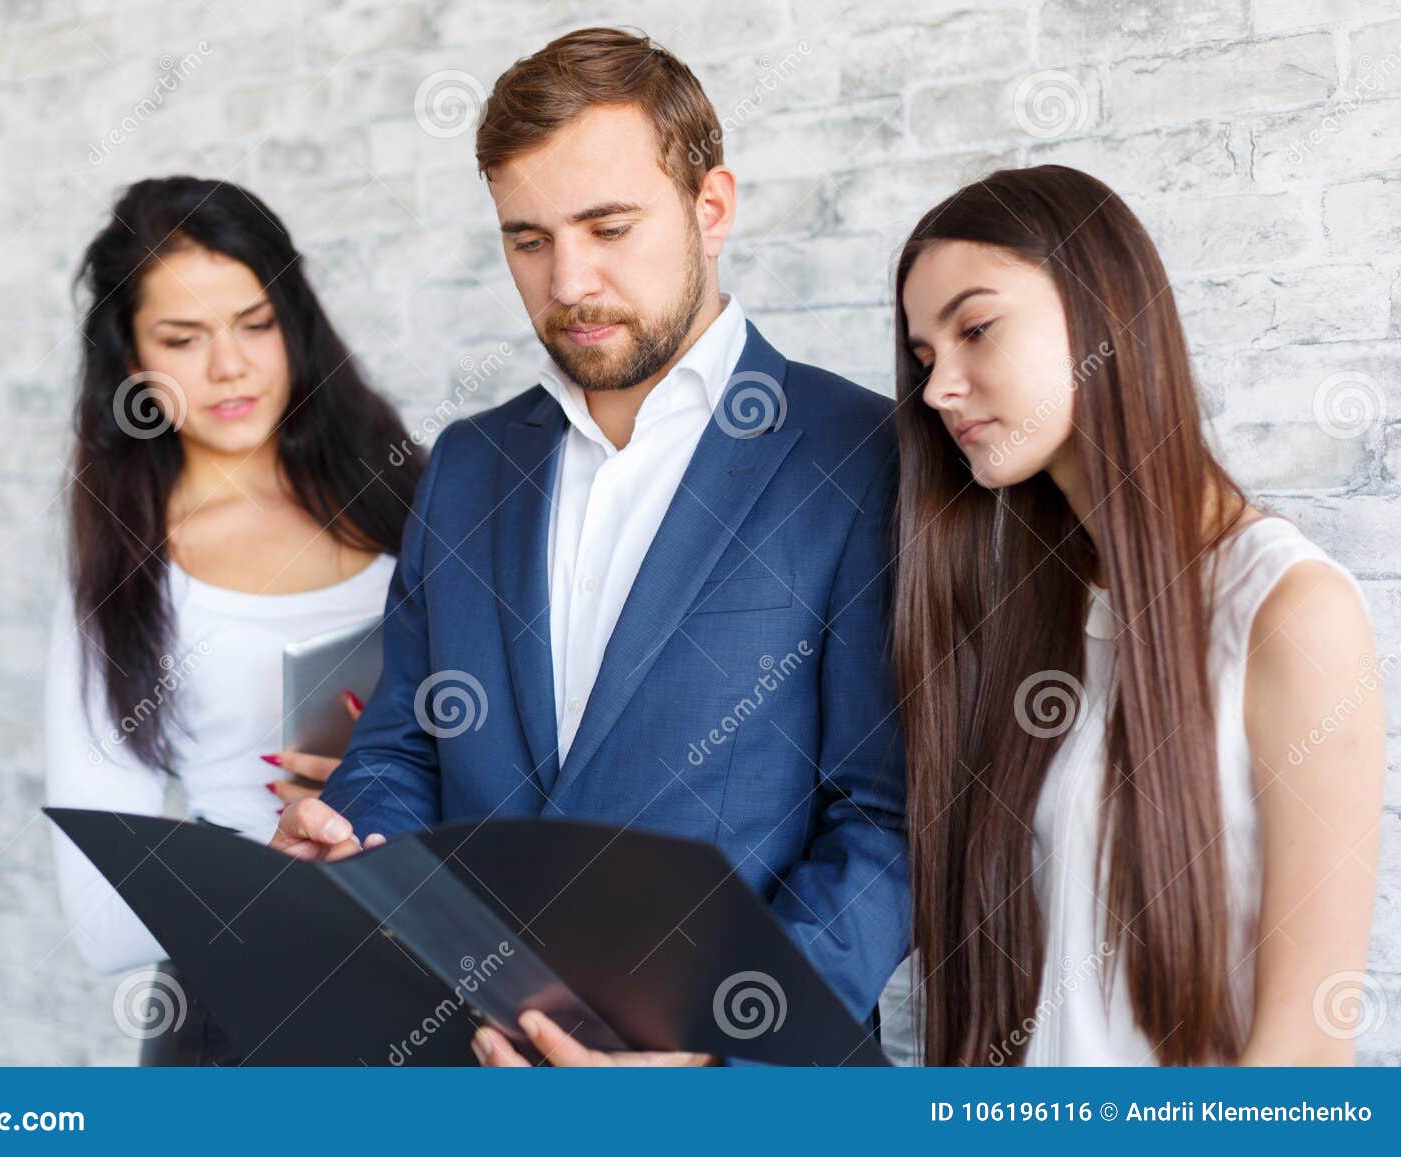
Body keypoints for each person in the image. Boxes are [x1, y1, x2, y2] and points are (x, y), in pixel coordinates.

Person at [269, 27, 909, 1067]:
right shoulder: (467, 465)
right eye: (528, 240)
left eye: (608, 227)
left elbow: (889, 823)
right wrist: (356, 839)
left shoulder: (863, 454)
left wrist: (722, 1044)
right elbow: (403, 745)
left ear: (712, 207)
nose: (568, 281)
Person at [890, 164, 1384, 1065]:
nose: (938, 388)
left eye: (977, 329)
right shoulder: (1034, 618)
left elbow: (1307, 1049)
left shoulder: (1290, 612)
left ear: (1102, 315)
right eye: (926, 358)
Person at [45, 176, 420, 1064]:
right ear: (130, 359)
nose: (230, 367)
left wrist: (403, 777)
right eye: (183, 338)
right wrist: (291, 851)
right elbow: (102, 917)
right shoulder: (125, 574)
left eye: (255, 323)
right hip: (247, 1022)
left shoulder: (412, 495)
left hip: (436, 983)